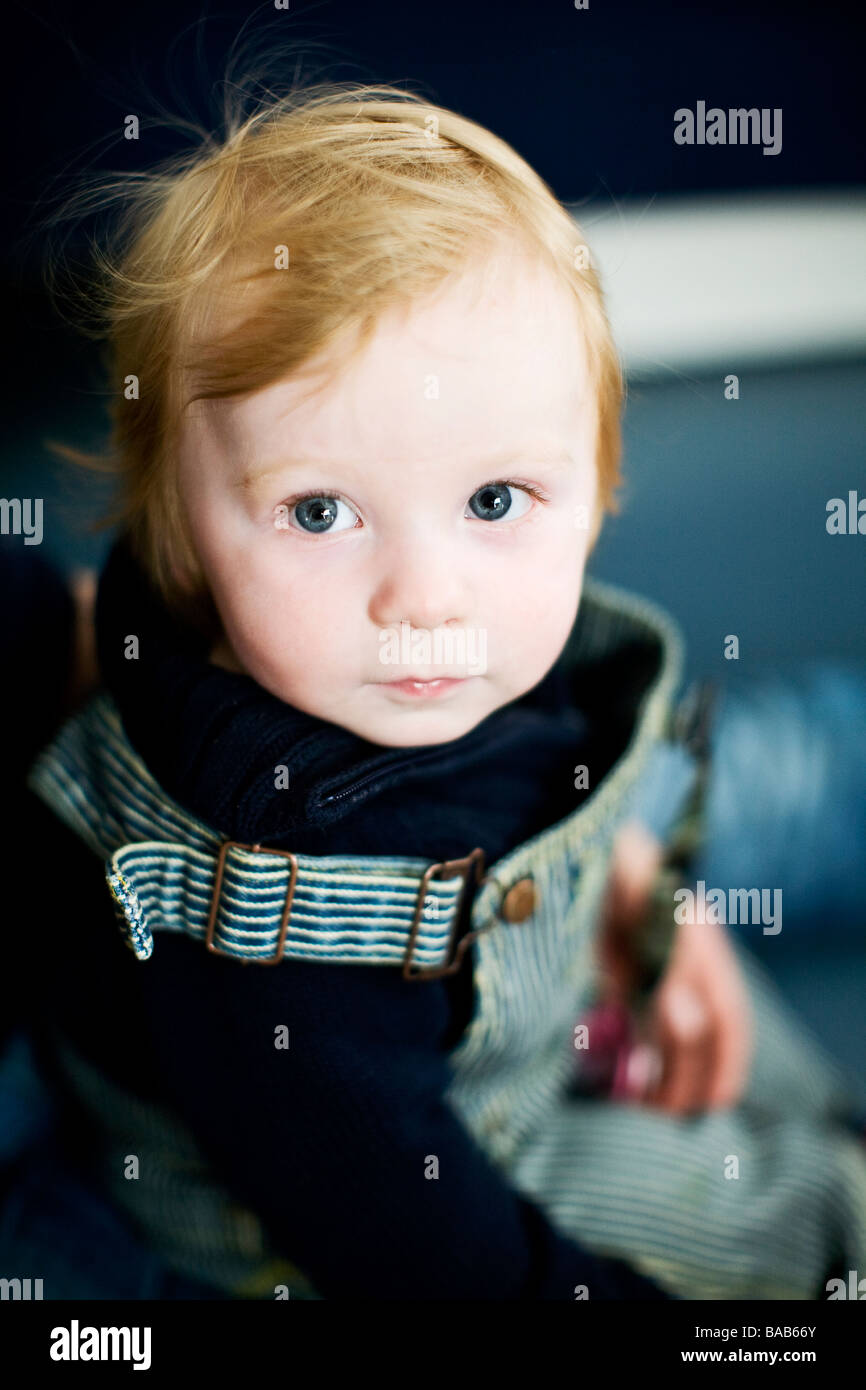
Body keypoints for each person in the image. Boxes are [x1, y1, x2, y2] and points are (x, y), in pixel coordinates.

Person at [4, 82, 865, 1301]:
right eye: (318, 512)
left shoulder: (388, 656)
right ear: (182, 540)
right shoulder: (269, 925)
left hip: (544, 931)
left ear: (600, 488)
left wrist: (626, 875)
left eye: (494, 501)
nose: (424, 596)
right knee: (797, 1221)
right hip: (447, 1155)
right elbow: (423, 1250)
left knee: (758, 834)